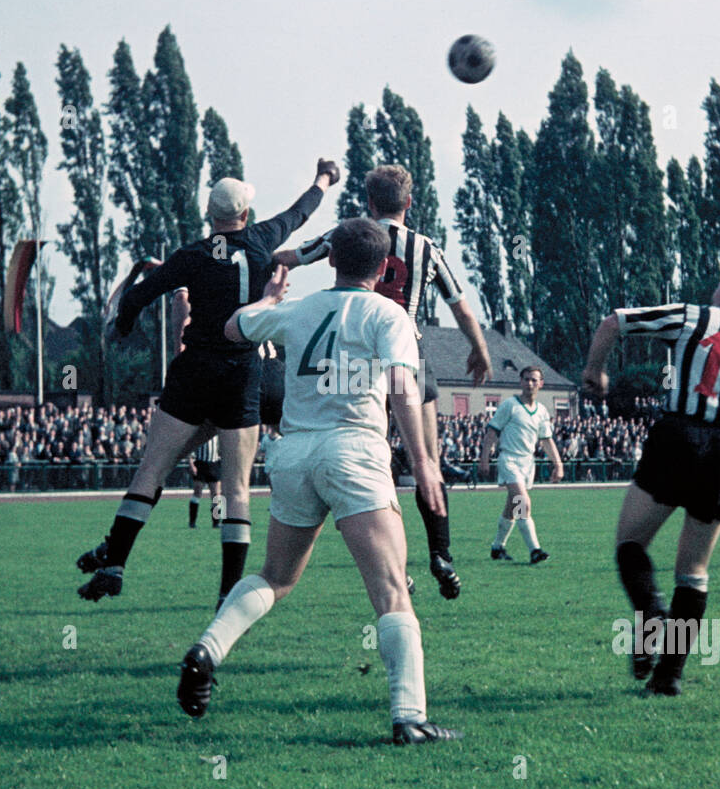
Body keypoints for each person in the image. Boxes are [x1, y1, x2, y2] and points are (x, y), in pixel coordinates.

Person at [176, 218, 461, 744]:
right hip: (354, 450)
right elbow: (402, 383)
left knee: (275, 578)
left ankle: (206, 651)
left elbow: (234, 327)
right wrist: (424, 460)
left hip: (294, 453)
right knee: (392, 589)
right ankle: (409, 717)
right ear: (386, 267)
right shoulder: (389, 313)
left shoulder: (300, 310)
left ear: (330, 260)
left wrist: (269, 298)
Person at [74, 159, 339, 602]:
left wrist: (121, 326)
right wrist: (323, 180)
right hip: (242, 372)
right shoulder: (262, 239)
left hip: (194, 370)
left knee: (151, 470)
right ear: (245, 214)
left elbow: (139, 295)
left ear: (209, 216)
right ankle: (227, 596)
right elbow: (300, 212)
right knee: (236, 491)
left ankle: (115, 562)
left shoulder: (193, 255)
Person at [274, 165, 492, 599]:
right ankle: (440, 553)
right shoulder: (426, 248)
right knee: (427, 459)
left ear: (369, 202)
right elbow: (461, 307)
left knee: (362, 453)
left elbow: (293, 257)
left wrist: (258, 256)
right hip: (408, 353)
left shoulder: (348, 235)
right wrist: (479, 349)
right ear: (409, 202)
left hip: (355, 355)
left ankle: (391, 561)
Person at [582, 259, 720, 696]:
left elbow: (614, 322)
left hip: (679, 436)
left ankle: (651, 614)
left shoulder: (696, 316)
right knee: (693, 571)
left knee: (630, 543)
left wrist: (595, 370)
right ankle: (669, 676)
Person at [479, 367, 564, 563]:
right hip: (509, 459)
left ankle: (497, 547)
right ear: (520, 381)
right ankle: (535, 550)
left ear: (541, 384)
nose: (530, 383)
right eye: (526, 379)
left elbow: (546, 440)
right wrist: (484, 459)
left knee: (512, 507)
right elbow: (491, 432)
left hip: (528, 462)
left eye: (534, 380)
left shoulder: (541, 411)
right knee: (522, 502)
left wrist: (558, 464)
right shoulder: (509, 405)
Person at [187, 434, 222, 530]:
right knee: (197, 492)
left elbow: (222, 448)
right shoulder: (199, 433)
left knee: (217, 495)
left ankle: (216, 522)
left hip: (214, 464)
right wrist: (191, 464)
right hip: (200, 464)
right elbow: (189, 449)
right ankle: (192, 522)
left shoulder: (217, 433)